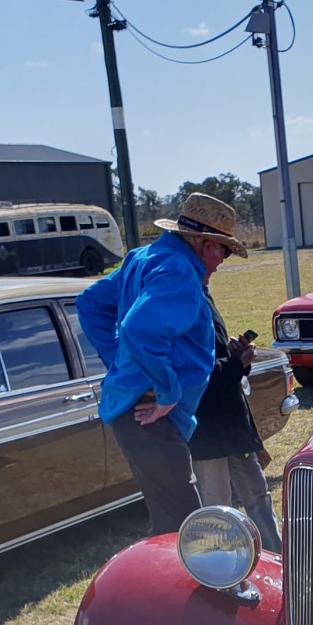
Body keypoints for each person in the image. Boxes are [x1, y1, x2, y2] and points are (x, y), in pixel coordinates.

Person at [76, 192, 248, 535]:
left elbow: (90, 303)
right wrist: (167, 393)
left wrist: (117, 359)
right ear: (204, 245)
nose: (222, 261)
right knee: (185, 528)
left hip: (141, 410)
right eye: (224, 250)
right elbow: (138, 330)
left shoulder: (144, 257)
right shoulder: (179, 271)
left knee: (174, 519)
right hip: (151, 413)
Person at [190, 292, 282, 552]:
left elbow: (216, 357)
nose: (217, 269)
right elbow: (193, 372)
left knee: (258, 495)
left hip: (232, 422)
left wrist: (237, 357)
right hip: (206, 428)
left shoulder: (204, 295)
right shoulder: (180, 299)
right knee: (218, 508)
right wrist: (236, 362)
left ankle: (276, 559)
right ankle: (226, 568)